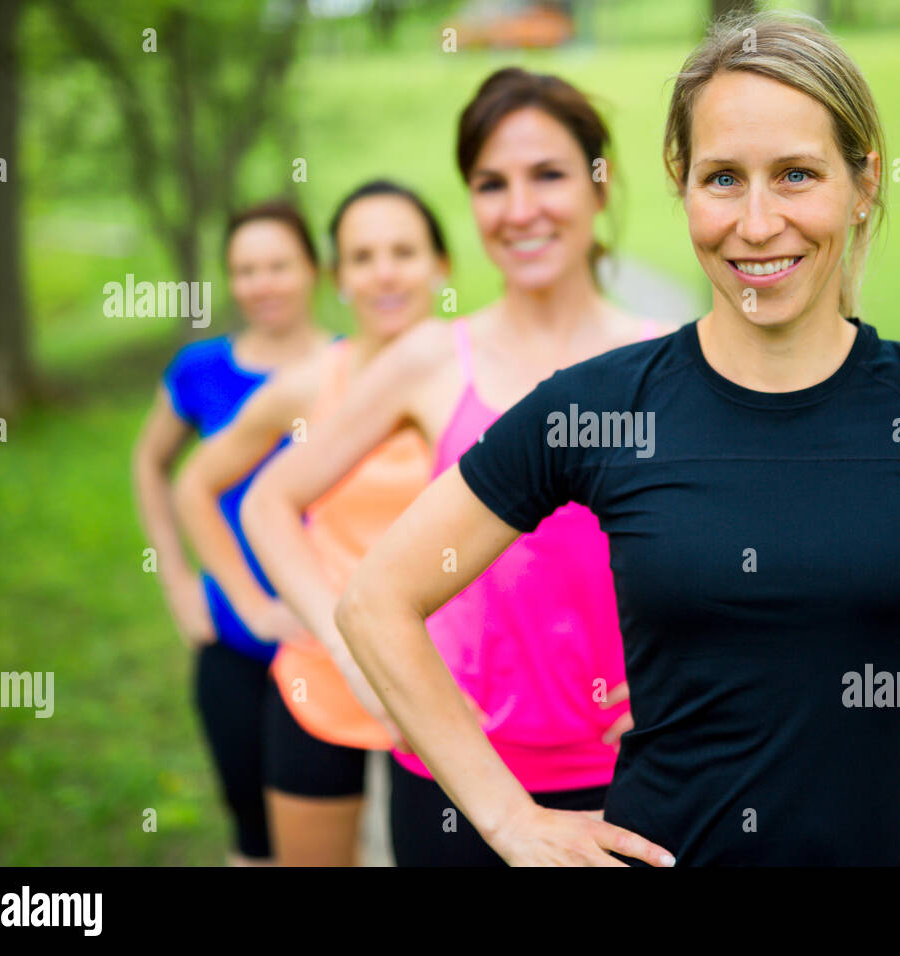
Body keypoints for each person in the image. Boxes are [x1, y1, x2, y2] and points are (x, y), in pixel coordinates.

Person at [328, 10, 900, 867]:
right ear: (681, 183)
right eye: (722, 179)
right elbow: (378, 600)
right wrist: (510, 819)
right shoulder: (602, 405)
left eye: (795, 175)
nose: (755, 224)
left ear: (862, 184)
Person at [242, 67, 672, 866]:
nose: (520, 210)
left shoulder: (666, 362)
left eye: (548, 175)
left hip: (632, 773)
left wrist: (682, 681)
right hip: (454, 779)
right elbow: (270, 502)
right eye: (490, 183)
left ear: (599, 184)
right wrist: (356, 660)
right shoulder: (431, 359)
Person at [173, 180, 449, 865]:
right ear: (339, 278)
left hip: (451, 689)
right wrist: (253, 605)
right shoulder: (309, 383)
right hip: (321, 676)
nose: (384, 273)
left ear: (441, 266)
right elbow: (197, 485)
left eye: (404, 252)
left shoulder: (477, 374)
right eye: (362, 257)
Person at [131, 199, 328, 865]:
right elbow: (152, 464)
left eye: (278, 264)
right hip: (235, 639)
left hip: (330, 638)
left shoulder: (350, 368)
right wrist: (178, 583)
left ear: (314, 270)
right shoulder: (200, 369)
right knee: (256, 839)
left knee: (334, 833)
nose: (262, 283)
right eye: (245, 269)